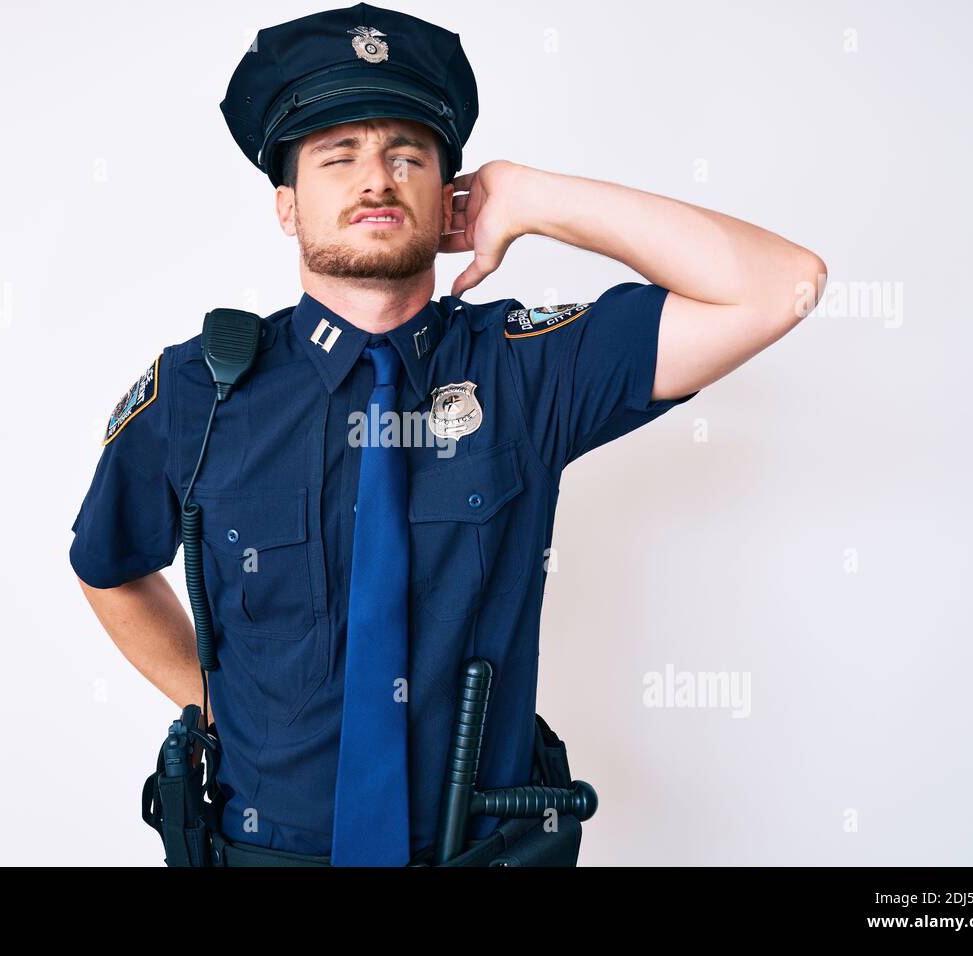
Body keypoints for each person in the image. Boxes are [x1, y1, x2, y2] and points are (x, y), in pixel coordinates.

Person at [69, 2, 826, 866]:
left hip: (478, 851)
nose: (376, 179)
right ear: (287, 206)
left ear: (451, 197)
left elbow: (782, 286)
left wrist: (542, 199)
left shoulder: (526, 369)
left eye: (408, 156)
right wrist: (217, 702)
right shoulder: (199, 391)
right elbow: (108, 568)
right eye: (337, 156)